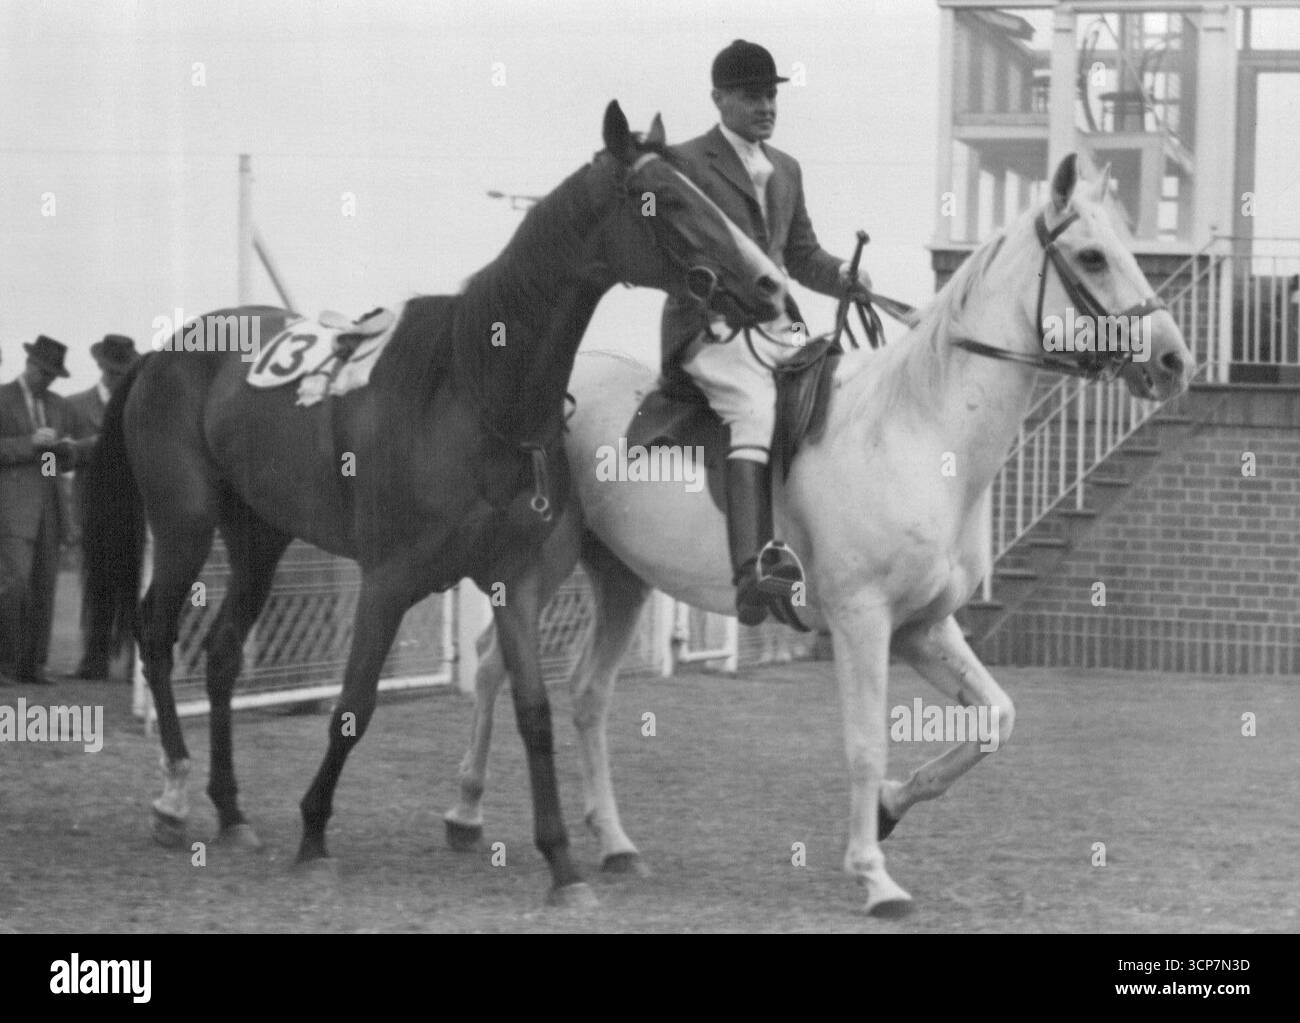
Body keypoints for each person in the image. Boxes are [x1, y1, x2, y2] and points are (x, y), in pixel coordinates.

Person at [662, 40, 873, 625]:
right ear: (719, 98)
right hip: (712, 328)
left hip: (778, 326)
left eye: (771, 94)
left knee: (841, 387)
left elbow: (800, 255)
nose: (765, 106)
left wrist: (843, 276)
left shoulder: (786, 168)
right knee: (754, 408)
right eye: (752, 95)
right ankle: (753, 572)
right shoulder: (682, 163)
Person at [0, 335, 92, 686]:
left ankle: (34, 667)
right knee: (14, 587)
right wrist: (29, 443)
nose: (50, 380)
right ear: (30, 365)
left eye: (55, 375)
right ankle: (5, 666)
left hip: (49, 512)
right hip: (11, 511)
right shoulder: (2, 397)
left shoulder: (58, 406)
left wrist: (65, 451)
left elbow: (53, 466)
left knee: (43, 589)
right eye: (46, 373)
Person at [66, 334, 140, 680]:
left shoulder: (140, 406)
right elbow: (55, 460)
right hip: (95, 510)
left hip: (133, 510)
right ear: (101, 368)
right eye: (113, 370)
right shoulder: (76, 406)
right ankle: (94, 659)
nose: (118, 376)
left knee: (133, 585)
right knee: (96, 587)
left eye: (122, 370)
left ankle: (132, 663)